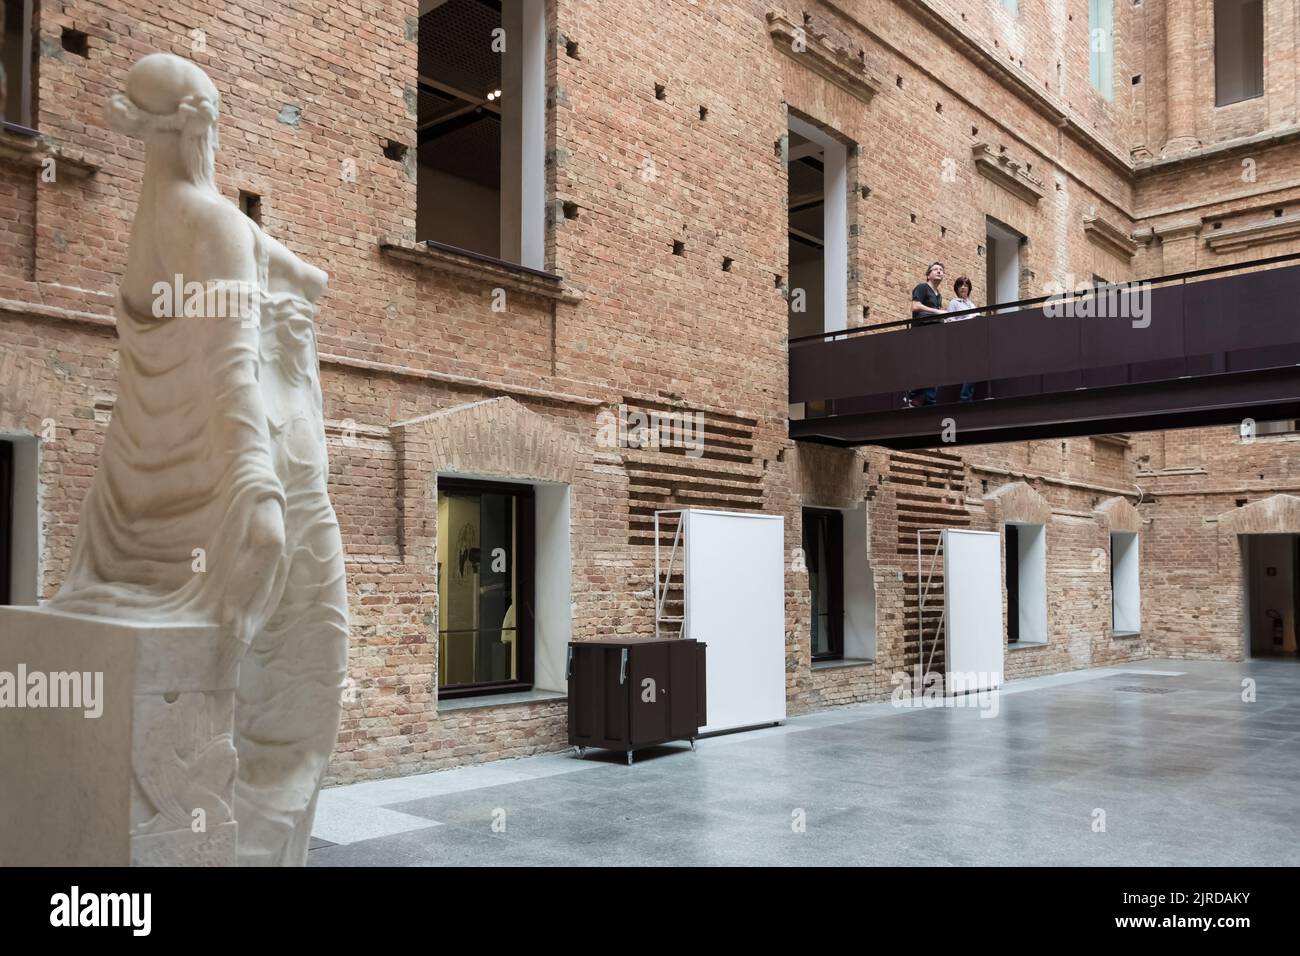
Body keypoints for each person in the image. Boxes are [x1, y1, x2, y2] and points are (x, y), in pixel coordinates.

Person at [904, 261, 947, 406]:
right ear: (928, 275)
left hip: (935, 332)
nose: (939, 271)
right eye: (935, 269)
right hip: (922, 330)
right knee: (924, 363)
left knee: (933, 366)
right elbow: (915, 306)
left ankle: (930, 400)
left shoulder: (938, 295)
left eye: (941, 270)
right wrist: (937, 311)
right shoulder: (922, 287)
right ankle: (911, 396)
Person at [947, 276, 978, 402]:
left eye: (965, 285)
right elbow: (950, 322)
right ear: (957, 289)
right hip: (961, 340)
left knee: (975, 368)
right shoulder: (954, 303)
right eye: (960, 285)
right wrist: (971, 319)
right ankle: (964, 398)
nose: (963, 287)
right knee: (969, 367)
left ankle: (968, 397)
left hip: (973, 340)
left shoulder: (972, 304)